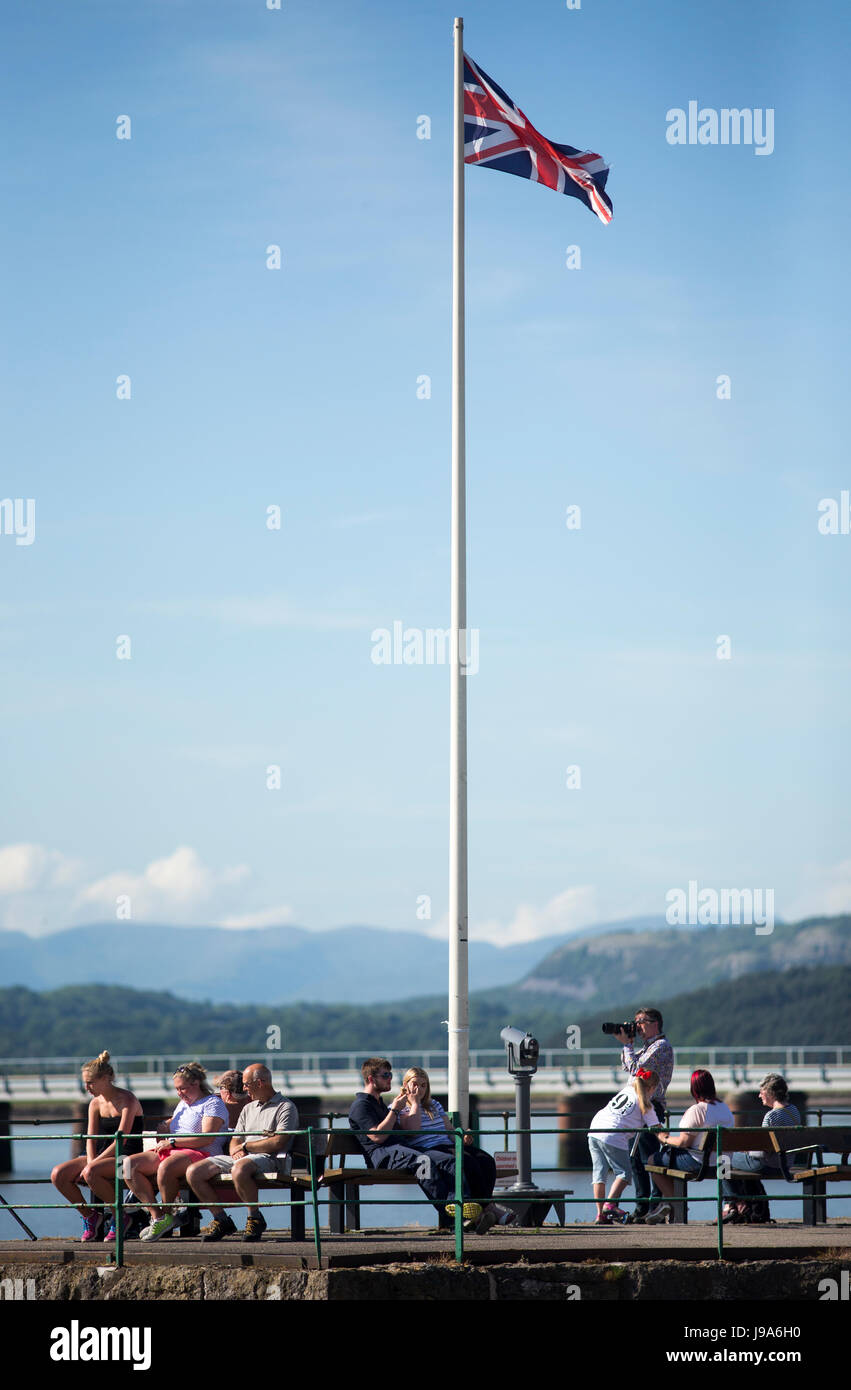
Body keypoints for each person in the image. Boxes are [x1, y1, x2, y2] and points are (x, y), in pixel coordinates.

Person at [348, 1058, 500, 1234]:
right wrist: (395, 1110)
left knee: (447, 1161)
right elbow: (377, 1137)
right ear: (371, 1079)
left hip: (399, 1151)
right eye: (385, 1075)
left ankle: (463, 1210)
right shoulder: (361, 1106)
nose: (390, 1079)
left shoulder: (378, 1104)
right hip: (383, 1156)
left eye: (390, 1074)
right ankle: (455, 1212)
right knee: (424, 1162)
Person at [186, 1063, 299, 1242]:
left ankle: (254, 1218)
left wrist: (246, 1148)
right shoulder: (249, 1108)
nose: (244, 1089)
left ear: (260, 1082)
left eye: (247, 1084)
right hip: (243, 1158)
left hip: (270, 1159)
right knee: (194, 1172)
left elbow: (278, 1142)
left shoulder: (285, 1107)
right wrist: (235, 1151)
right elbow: (236, 1140)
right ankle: (221, 1219)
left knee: (240, 1169)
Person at [123, 1062, 228, 1241]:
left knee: (166, 1168)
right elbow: (173, 1124)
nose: (180, 1093)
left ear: (196, 1084)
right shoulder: (183, 1104)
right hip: (175, 1150)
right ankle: (159, 1217)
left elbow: (206, 1138)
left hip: (202, 1153)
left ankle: (167, 1213)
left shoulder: (212, 1103)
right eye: (177, 1090)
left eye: (183, 1089)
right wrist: (164, 1128)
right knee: (126, 1165)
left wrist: (172, 1142)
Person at [50, 1050, 144, 1243]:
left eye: (90, 1083)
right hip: (102, 1155)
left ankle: (120, 1217)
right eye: (85, 1082)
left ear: (106, 1078)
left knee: (92, 1172)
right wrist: (91, 1161)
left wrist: (91, 1166)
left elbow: (122, 1139)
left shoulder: (127, 1100)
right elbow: (91, 1138)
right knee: (58, 1174)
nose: (86, 1087)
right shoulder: (95, 1103)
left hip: (126, 1156)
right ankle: (90, 1216)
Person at [649, 1068, 734, 1224]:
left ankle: (674, 1202)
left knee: (653, 1160)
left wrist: (664, 1138)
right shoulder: (725, 1108)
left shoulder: (697, 1110)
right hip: (723, 1163)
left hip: (699, 1164)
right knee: (667, 1157)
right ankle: (728, 1205)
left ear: (694, 1088)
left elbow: (683, 1142)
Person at [614, 1007, 674, 1221]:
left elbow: (635, 1069)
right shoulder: (648, 1047)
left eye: (641, 1021)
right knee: (634, 1158)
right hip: (637, 1107)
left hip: (650, 1106)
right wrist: (627, 1045)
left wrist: (628, 1045)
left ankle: (652, 1205)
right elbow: (627, 1064)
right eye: (636, 1022)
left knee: (648, 1157)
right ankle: (643, 1205)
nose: (637, 1026)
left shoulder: (661, 1046)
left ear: (655, 1023)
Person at [720, 1073, 801, 1223]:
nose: (759, 1095)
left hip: (766, 1164)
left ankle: (731, 1203)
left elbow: (762, 1151)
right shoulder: (794, 1111)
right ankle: (739, 1203)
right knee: (735, 1160)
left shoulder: (771, 1116)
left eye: (762, 1092)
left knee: (722, 1158)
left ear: (770, 1093)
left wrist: (746, 1150)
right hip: (785, 1164)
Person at [587, 1069, 660, 1224]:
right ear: (652, 1087)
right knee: (624, 1174)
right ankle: (610, 1205)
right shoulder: (646, 1104)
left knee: (599, 1174)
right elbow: (656, 1128)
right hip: (613, 1135)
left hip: (595, 1129)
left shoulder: (627, 1090)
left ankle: (600, 1215)